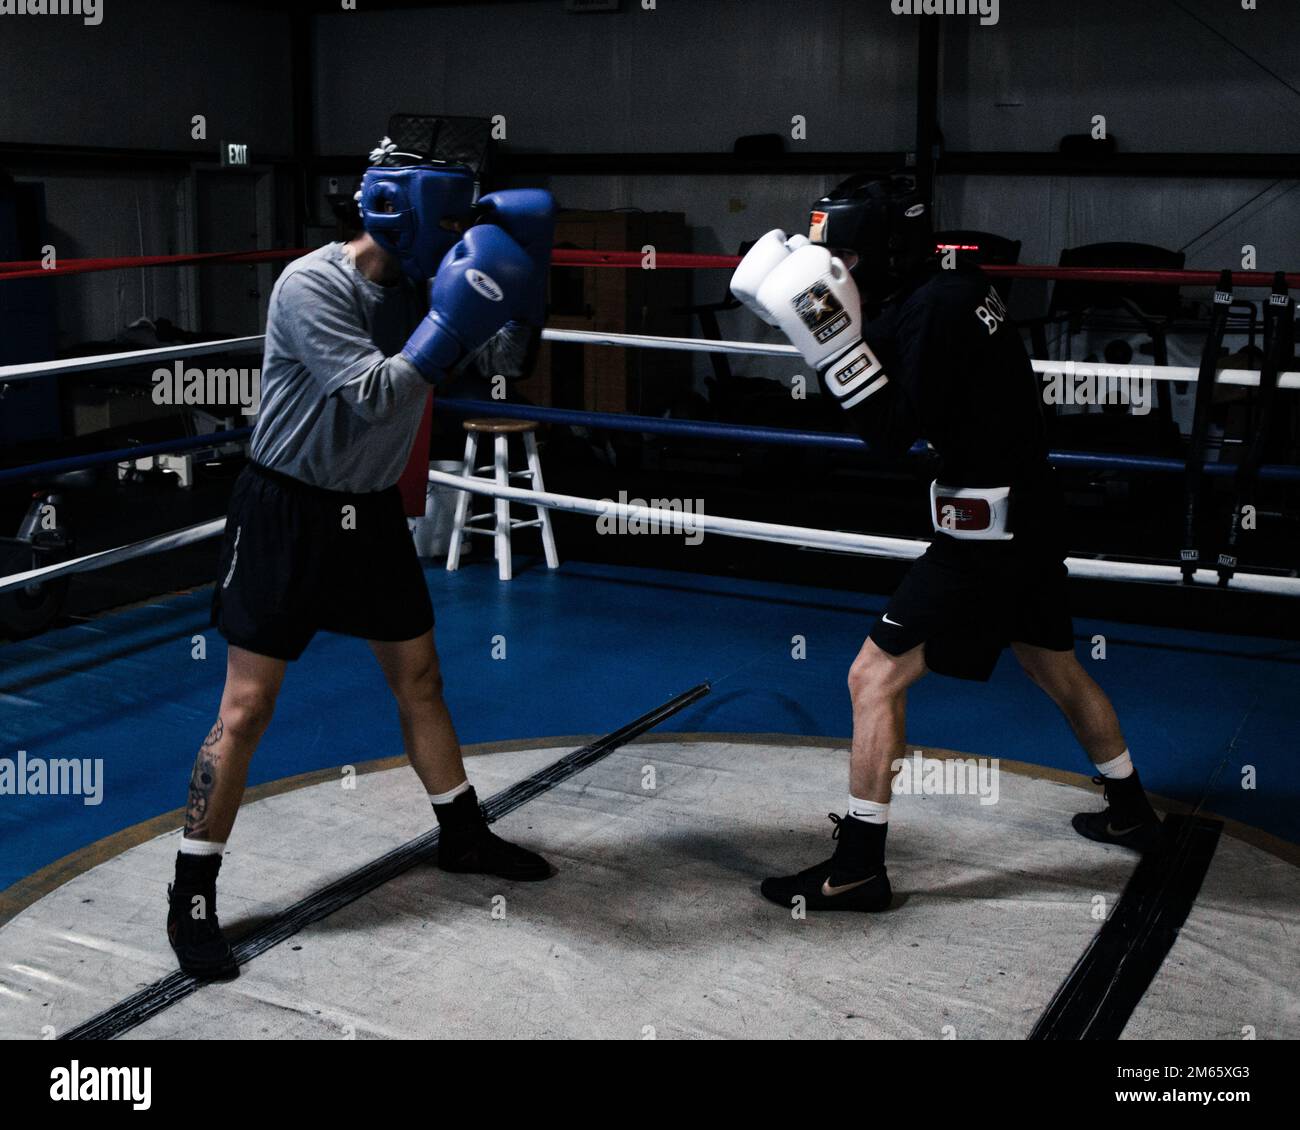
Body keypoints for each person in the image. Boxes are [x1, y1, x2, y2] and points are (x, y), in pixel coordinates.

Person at [168, 138, 557, 979]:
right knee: (246, 710)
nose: (458, 233)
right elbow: (378, 392)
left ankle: (462, 837)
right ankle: (192, 894)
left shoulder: (423, 281)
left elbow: (499, 366)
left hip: (369, 512)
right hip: (288, 511)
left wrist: (525, 290)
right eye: (448, 217)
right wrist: (457, 311)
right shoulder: (313, 285)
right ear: (402, 208)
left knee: (420, 679)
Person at [730, 173, 1163, 914]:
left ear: (887, 249)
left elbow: (893, 432)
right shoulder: (957, 280)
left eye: (851, 261)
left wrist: (833, 349)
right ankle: (1130, 809)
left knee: (873, 679)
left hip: (988, 537)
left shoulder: (934, 310)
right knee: (1053, 665)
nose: (845, 274)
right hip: (1028, 516)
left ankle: (859, 868)